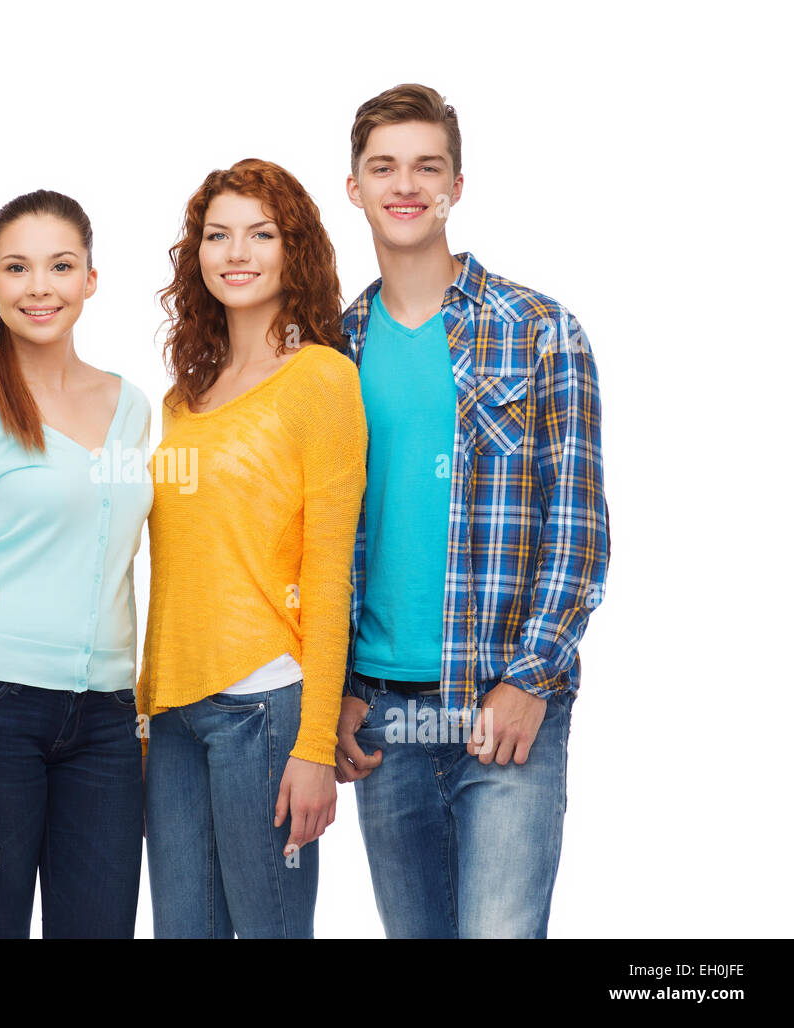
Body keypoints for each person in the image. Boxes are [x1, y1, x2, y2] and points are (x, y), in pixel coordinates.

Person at [332, 83, 610, 938]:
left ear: (456, 185)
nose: (405, 185)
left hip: (503, 706)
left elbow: (579, 525)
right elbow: (327, 535)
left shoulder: (539, 329)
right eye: (384, 167)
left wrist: (531, 679)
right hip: (384, 714)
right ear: (355, 187)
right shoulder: (332, 350)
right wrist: (339, 687)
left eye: (427, 166)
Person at [0, 190, 152, 939]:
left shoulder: (133, 406)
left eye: (60, 266)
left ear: (90, 279)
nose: (38, 287)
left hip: (107, 723)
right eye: (17, 267)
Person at [137, 158, 365, 938]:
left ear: (292, 249)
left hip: (265, 711)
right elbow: (173, 566)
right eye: (217, 234)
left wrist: (314, 745)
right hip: (172, 716)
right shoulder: (182, 397)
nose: (236, 252)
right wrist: (143, 705)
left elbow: (329, 577)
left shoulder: (322, 380)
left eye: (260, 234)